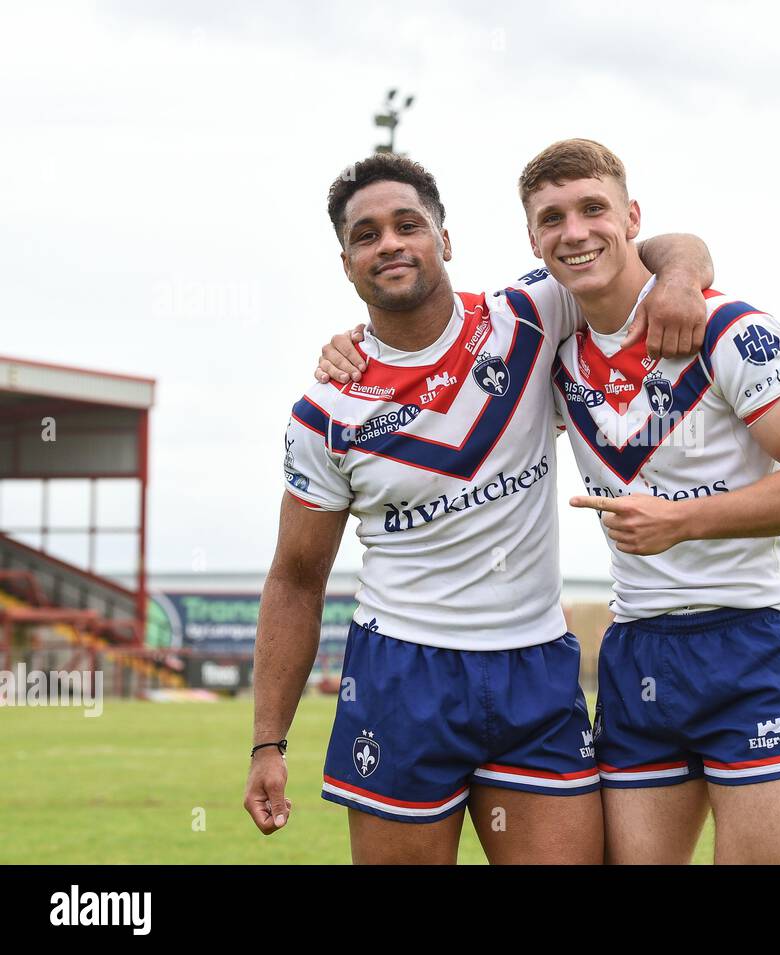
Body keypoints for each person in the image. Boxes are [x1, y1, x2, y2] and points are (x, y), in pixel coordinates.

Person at [244, 153, 714, 864]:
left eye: (409, 225)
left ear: (446, 240)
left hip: (535, 669)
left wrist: (679, 280)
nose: (391, 243)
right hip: (401, 675)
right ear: (346, 263)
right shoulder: (325, 411)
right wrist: (268, 740)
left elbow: (667, 247)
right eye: (366, 235)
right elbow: (296, 578)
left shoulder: (530, 314)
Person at [521, 138, 780, 863]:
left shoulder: (729, 328)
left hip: (753, 641)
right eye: (552, 218)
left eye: (593, 209)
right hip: (638, 646)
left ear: (632, 217)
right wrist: (353, 344)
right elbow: (437, 340)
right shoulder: (547, 346)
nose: (574, 232)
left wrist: (683, 521)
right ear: (533, 237)